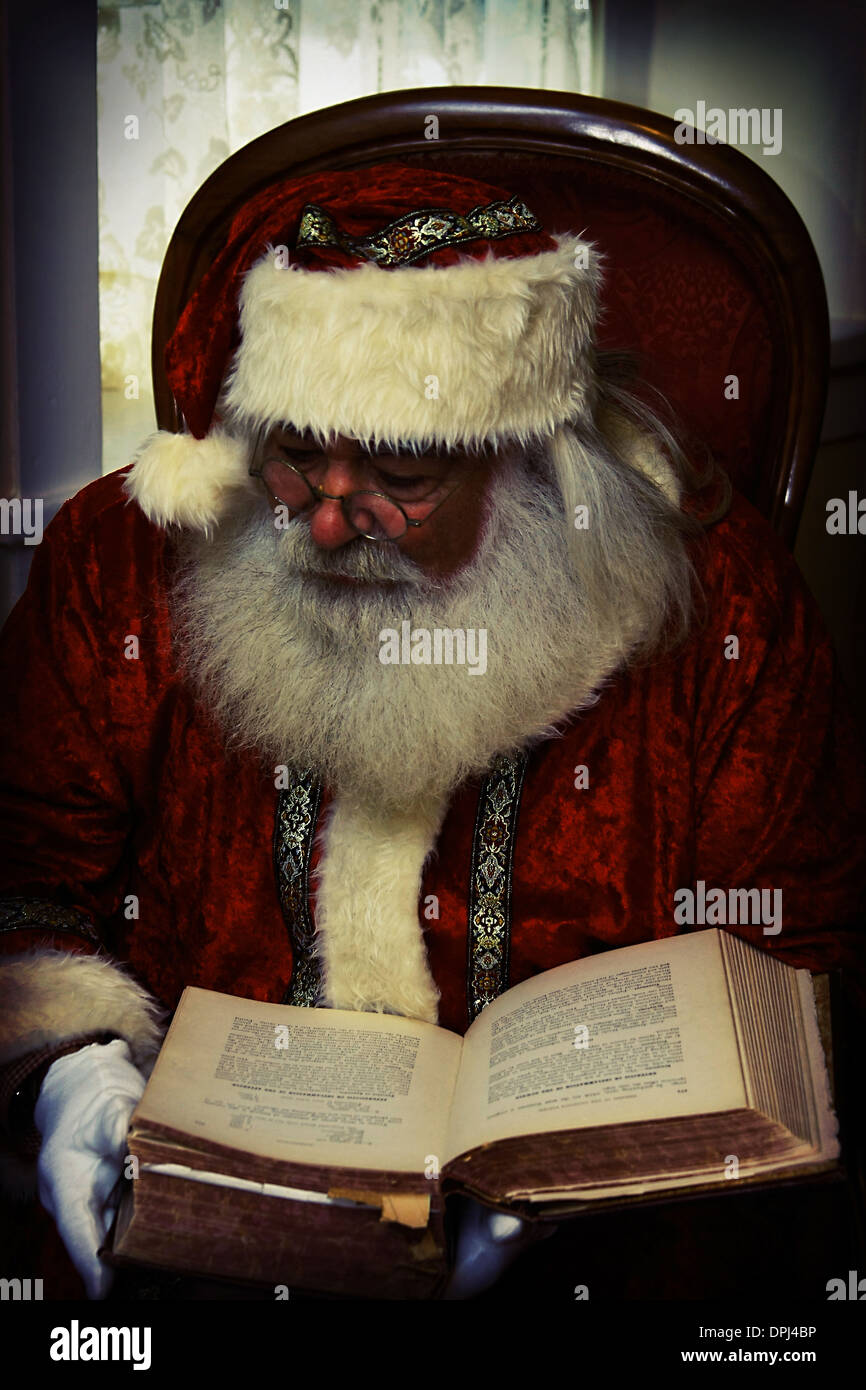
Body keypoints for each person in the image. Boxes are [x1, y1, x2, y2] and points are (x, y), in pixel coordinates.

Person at [0, 163, 863, 1301]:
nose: (321, 517)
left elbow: (800, 954)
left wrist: (578, 1175)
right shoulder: (116, 559)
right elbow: (23, 867)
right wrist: (70, 1071)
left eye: (402, 469)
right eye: (294, 450)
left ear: (525, 458)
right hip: (178, 1246)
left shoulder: (722, 598)